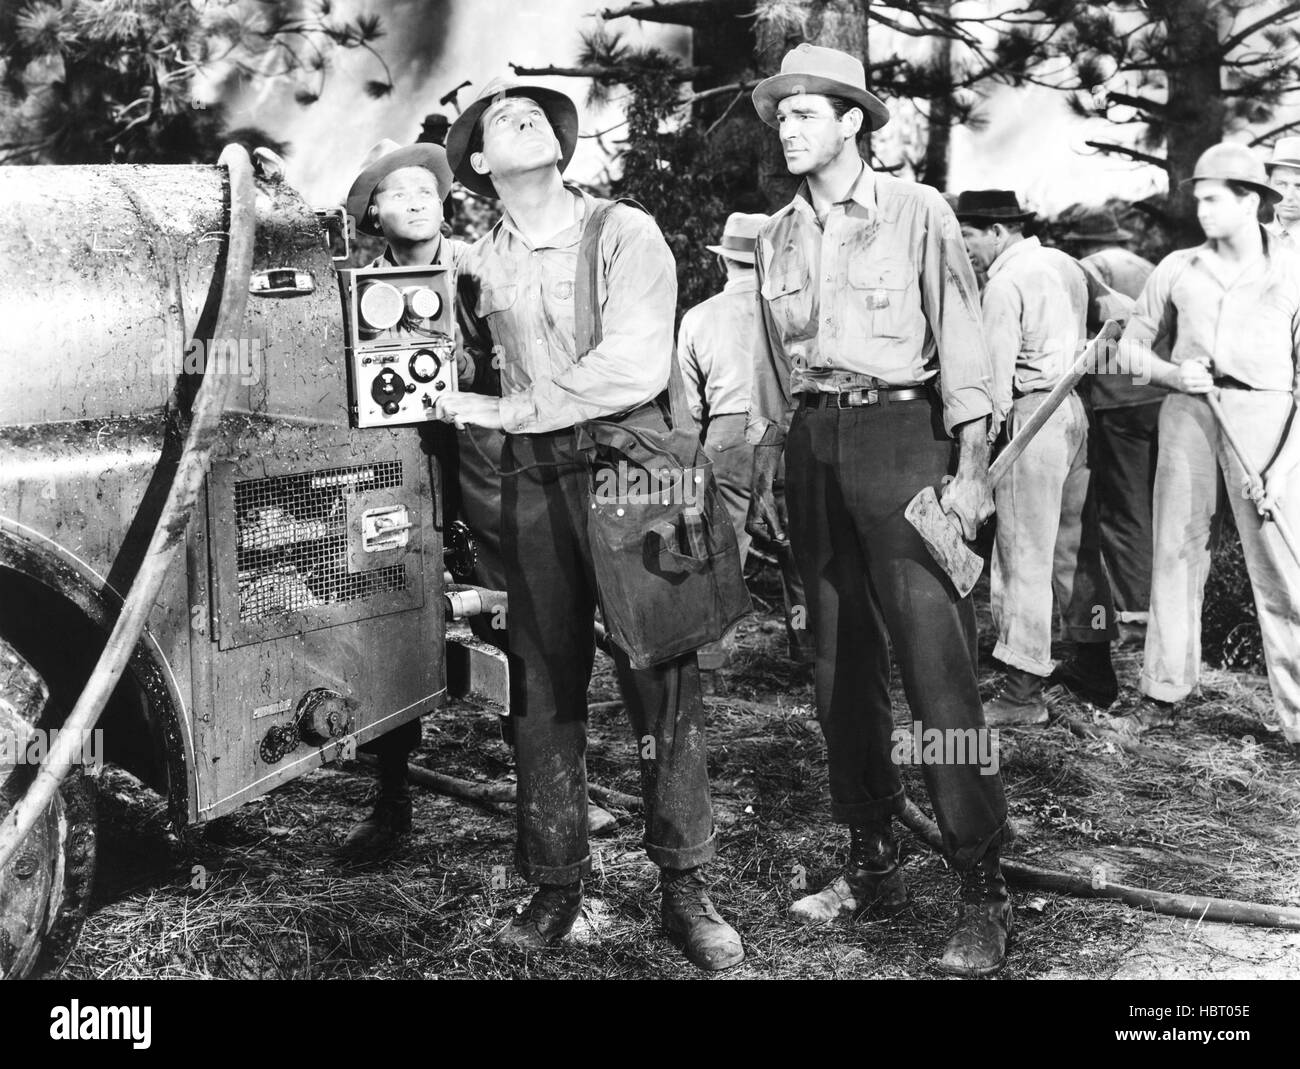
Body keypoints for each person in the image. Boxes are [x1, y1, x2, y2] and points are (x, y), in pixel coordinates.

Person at [435, 78, 743, 970]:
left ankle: (687, 887)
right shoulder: (479, 258)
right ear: (482, 165)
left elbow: (635, 360)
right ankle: (554, 880)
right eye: (498, 122)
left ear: (560, 148)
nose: (522, 117)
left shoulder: (625, 230)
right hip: (530, 481)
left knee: (663, 673)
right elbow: (439, 357)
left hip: (628, 466)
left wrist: (507, 407)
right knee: (539, 678)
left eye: (537, 114)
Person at [747, 44, 1012, 976]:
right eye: (780, 116)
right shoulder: (775, 234)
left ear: (853, 121)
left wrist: (972, 468)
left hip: (906, 440)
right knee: (836, 666)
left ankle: (981, 884)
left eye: (806, 113)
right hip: (814, 447)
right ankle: (871, 849)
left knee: (936, 669)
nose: (787, 128)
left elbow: (965, 343)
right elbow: (773, 375)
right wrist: (771, 472)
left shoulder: (918, 212)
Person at [339, 138, 499, 861]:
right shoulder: (355, 290)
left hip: (487, 456)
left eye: (425, 190)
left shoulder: (481, 269)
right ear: (374, 211)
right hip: (396, 465)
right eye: (395, 191)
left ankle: (551, 782)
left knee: (514, 607)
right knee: (389, 613)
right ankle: (392, 796)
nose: (413, 200)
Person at [1122, 141, 1300, 747]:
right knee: (1175, 550)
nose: (1202, 209)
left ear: (1251, 201)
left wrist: (1279, 463)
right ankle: (1164, 693)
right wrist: (1173, 375)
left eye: (1215, 199)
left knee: (1279, 566)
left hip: (1268, 422)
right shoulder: (1176, 267)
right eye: (1197, 198)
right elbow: (1130, 348)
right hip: (1188, 413)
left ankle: (1297, 718)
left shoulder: (1293, 269)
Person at [957, 190, 1118, 723]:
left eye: (971, 236)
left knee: (1022, 555)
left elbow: (995, 387)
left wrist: (979, 458)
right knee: (1071, 550)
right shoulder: (1064, 263)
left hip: (1033, 417)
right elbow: (1120, 315)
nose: (967, 248)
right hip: (1072, 412)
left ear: (998, 231)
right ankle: (1093, 667)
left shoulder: (1003, 285)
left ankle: (1022, 692)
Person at [677, 211, 816, 674]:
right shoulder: (790, 312)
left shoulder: (699, 318)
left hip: (728, 435)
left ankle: (712, 658)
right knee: (799, 545)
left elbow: (688, 407)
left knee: (723, 550)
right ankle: (807, 647)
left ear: (725, 264)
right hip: (793, 429)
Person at [1060, 208, 1163, 648]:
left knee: (1124, 513)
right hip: (1163, 394)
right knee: (1160, 509)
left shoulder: (1092, 270)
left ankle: (1136, 621)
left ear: (1081, 243)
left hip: (1119, 403)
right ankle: (1166, 613)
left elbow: (1093, 339)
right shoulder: (1146, 267)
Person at [1265, 137, 1300, 247]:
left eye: (1299, 186)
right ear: (1269, 184)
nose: (1289, 196)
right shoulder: (1253, 238)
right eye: (1281, 184)